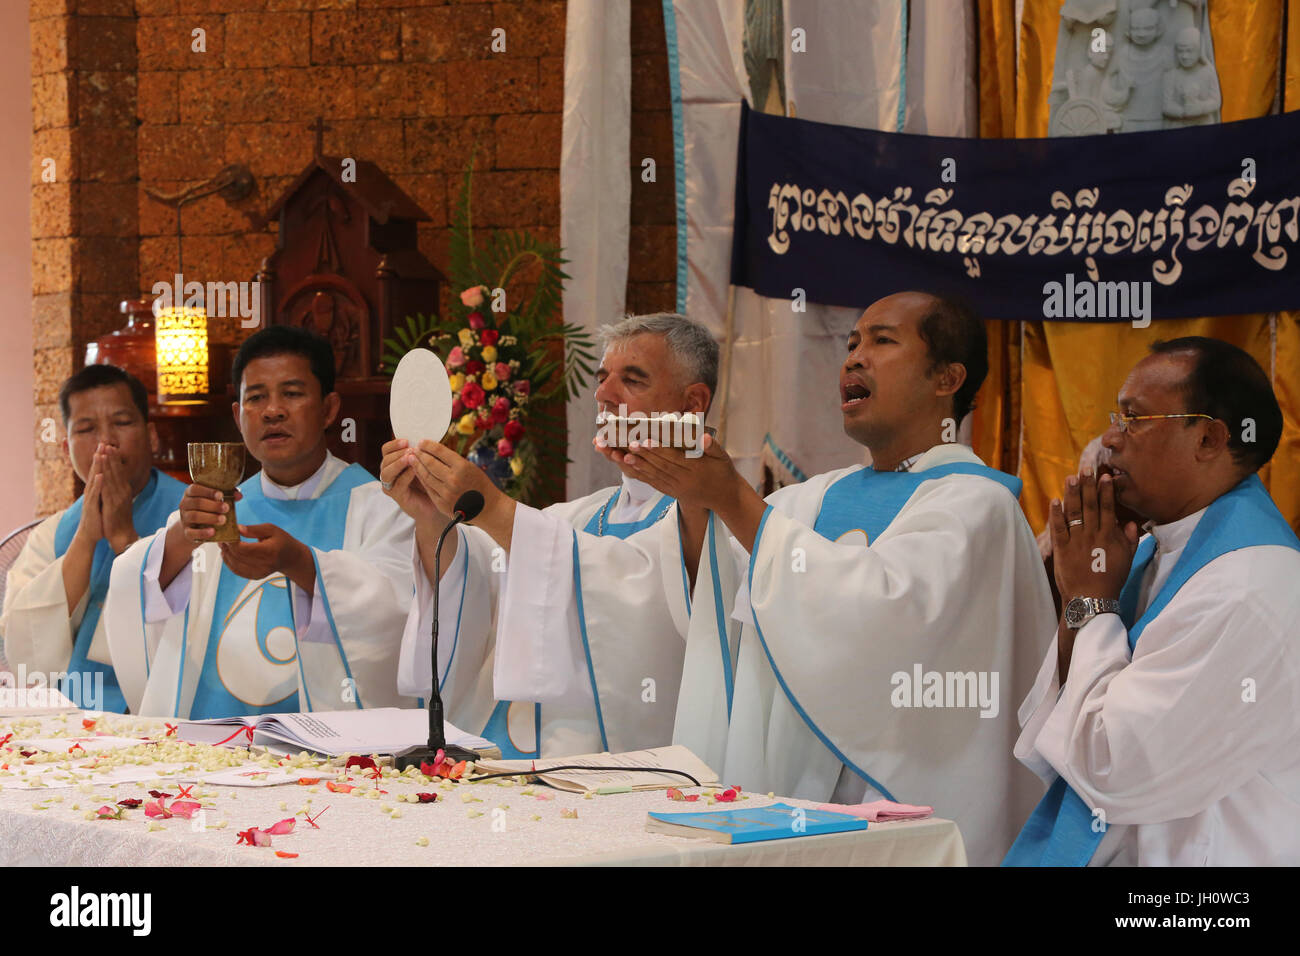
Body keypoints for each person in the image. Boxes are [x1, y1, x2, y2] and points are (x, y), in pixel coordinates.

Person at [603, 292, 1056, 866]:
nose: (854, 359)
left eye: (882, 341)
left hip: (899, 815)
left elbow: (884, 613)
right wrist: (694, 495)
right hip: (796, 804)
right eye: (851, 343)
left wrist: (730, 496)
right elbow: (720, 582)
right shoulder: (813, 497)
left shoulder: (979, 503)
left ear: (947, 377)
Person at [382, 313, 731, 760]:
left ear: (693, 403)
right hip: (517, 765)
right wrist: (432, 516)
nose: (603, 394)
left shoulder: (718, 520)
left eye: (633, 379)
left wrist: (495, 509)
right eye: (602, 378)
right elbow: (481, 584)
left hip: (631, 774)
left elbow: (643, 595)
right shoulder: (578, 516)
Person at [1005, 338, 1300, 866]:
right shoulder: (1151, 548)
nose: (1109, 439)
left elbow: (1114, 763)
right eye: (1115, 416)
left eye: (1134, 419)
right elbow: (1064, 728)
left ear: (1208, 437)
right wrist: (1081, 596)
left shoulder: (1247, 585)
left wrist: (1091, 601)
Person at [104, 326, 414, 718]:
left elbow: (397, 611)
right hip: (213, 742)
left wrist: (301, 563)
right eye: (256, 397)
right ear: (238, 415)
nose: (272, 410)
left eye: (292, 393)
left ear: (329, 409)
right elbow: (132, 586)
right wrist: (183, 537)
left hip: (326, 751)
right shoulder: (220, 504)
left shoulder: (380, 506)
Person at [2, 365, 185, 712]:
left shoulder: (193, 515)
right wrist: (86, 537)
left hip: (168, 714)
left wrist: (124, 540)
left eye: (121, 422)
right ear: (64, 447)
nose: (106, 442)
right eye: (86, 429)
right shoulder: (53, 533)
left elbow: (200, 634)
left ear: (152, 436)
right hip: (70, 714)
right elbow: (25, 647)